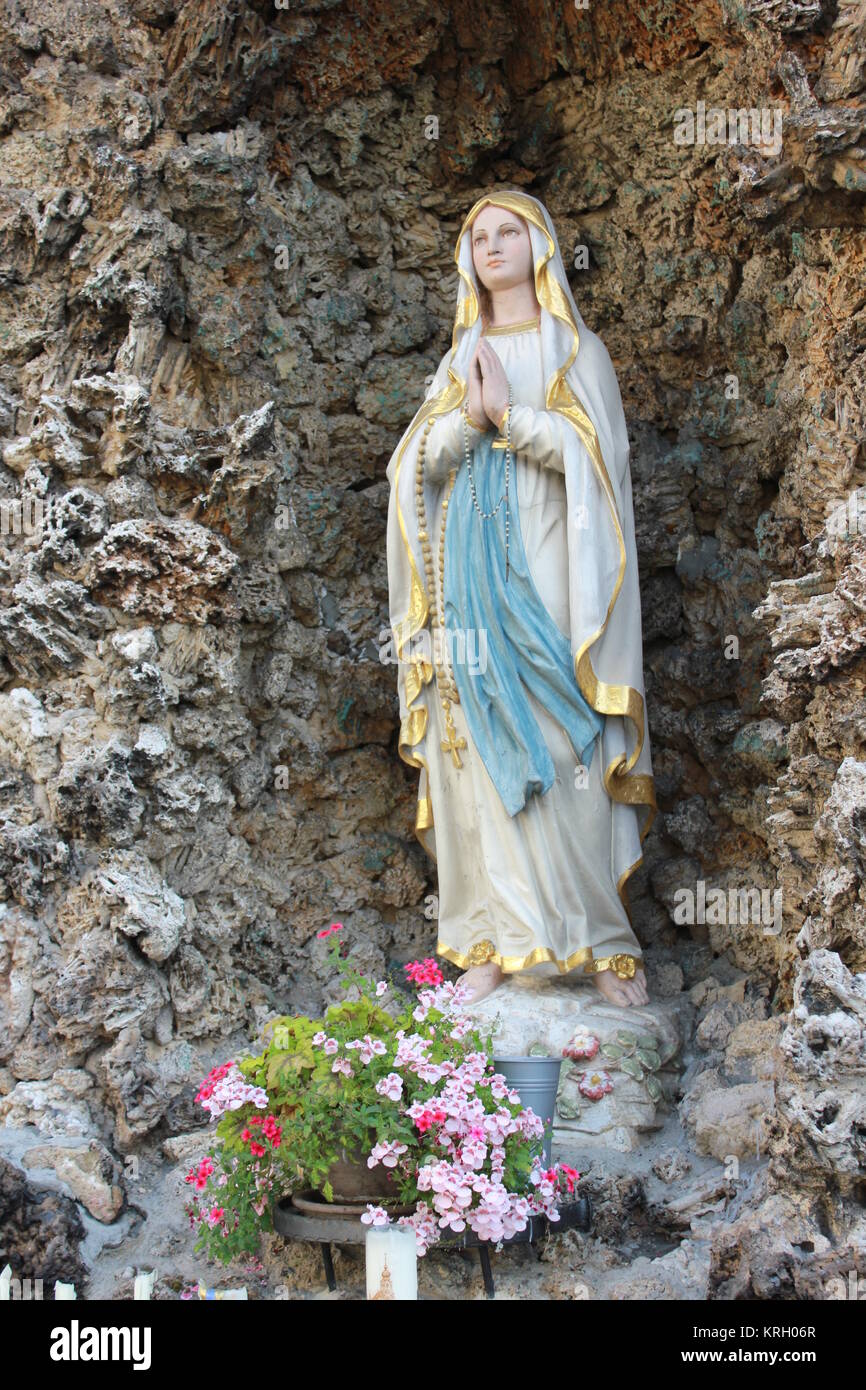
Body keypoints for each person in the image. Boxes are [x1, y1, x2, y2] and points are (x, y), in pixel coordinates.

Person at [385, 190, 656, 1008]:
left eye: (509, 232)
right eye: (478, 235)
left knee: (564, 747)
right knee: (480, 760)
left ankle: (601, 943)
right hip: (465, 590)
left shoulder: (576, 351)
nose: (491, 246)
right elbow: (414, 468)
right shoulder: (458, 354)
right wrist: (470, 418)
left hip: (550, 581)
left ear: (539, 247)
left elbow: (596, 466)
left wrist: (513, 417)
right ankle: (496, 941)